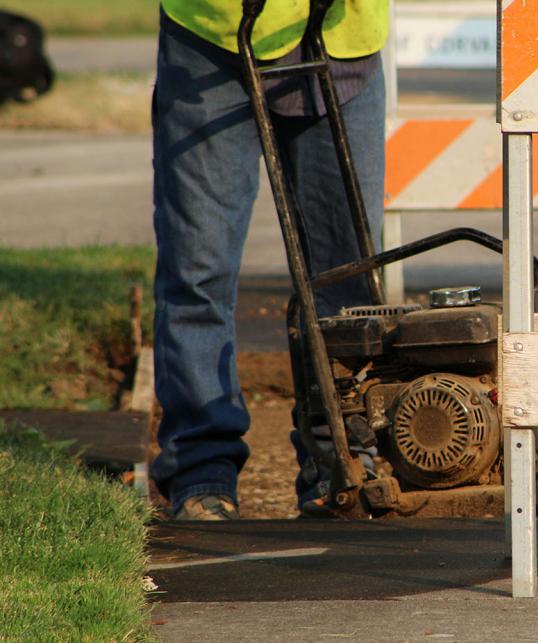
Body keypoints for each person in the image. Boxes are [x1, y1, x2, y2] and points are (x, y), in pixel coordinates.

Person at [150, 0, 389, 520]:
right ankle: (199, 467)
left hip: (342, 33)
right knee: (198, 269)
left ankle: (342, 461)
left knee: (347, 281)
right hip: (211, 37)